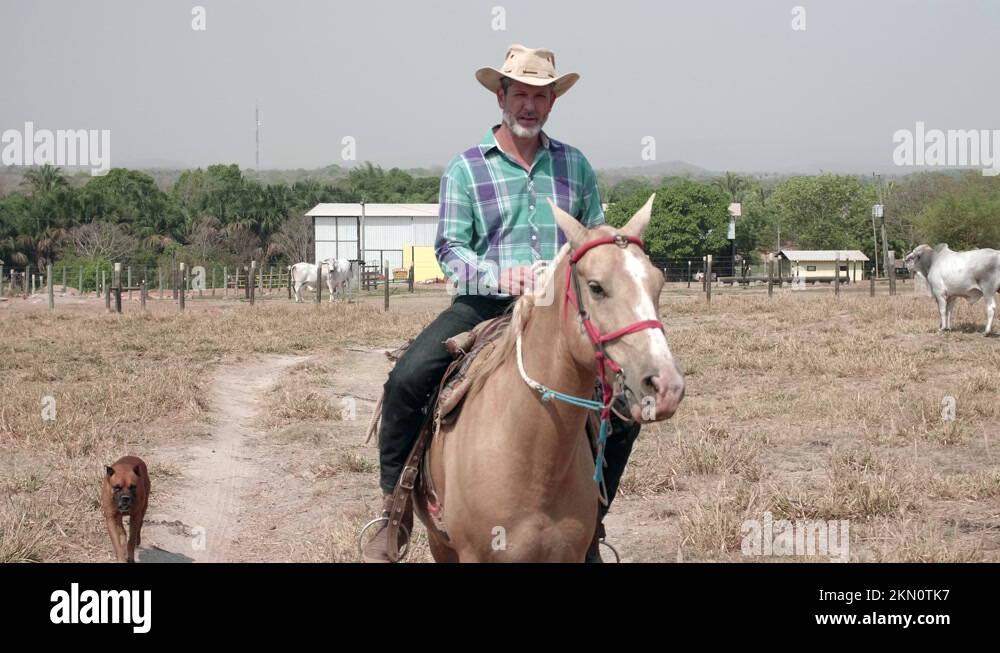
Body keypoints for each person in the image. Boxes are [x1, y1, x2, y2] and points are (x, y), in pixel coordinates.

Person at [362, 44, 641, 563]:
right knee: (409, 378)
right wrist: (498, 275)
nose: (530, 106)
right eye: (521, 94)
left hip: (558, 315)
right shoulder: (467, 169)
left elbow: (594, 238)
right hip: (485, 306)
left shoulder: (574, 166)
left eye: (541, 95)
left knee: (625, 403)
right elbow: (450, 248)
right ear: (500, 96)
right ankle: (394, 508)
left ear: (553, 102)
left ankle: (591, 520)